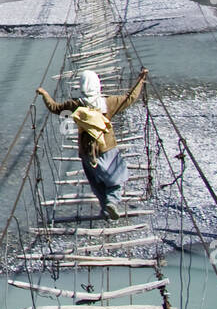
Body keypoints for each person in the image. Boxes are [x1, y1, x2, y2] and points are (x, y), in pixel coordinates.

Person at [36, 68, 148, 219]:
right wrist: (140, 80)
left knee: (96, 183)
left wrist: (44, 94)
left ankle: (105, 208)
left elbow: (54, 108)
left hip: (87, 153)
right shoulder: (108, 103)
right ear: (98, 85)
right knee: (116, 177)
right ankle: (112, 202)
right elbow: (130, 98)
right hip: (107, 148)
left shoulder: (75, 105)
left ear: (81, 86)